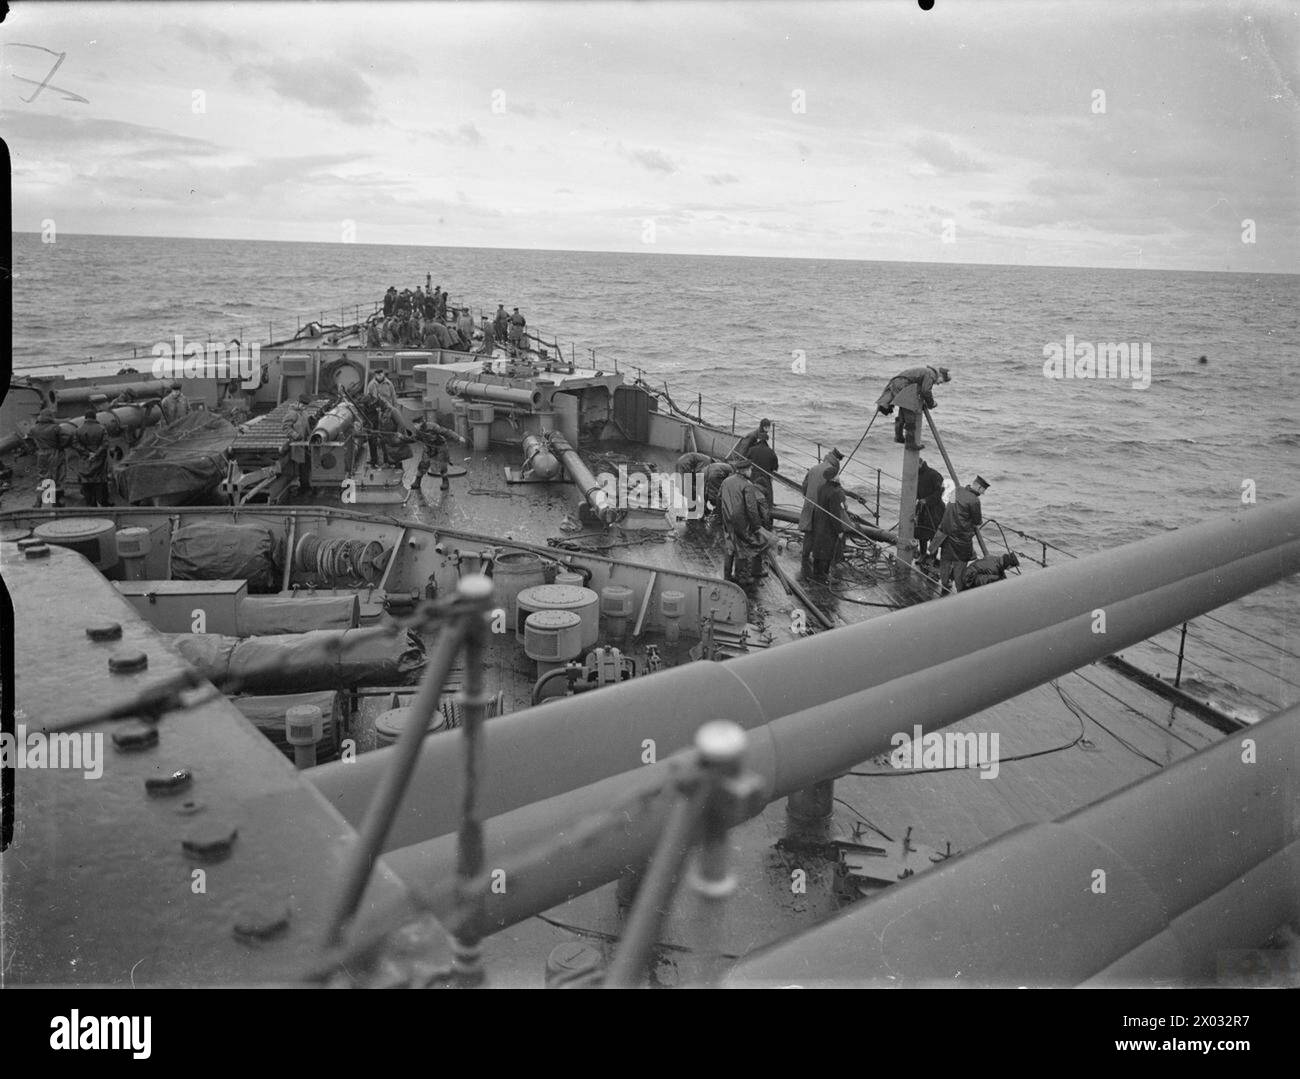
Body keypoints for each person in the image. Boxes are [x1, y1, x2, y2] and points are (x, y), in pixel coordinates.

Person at [930, 475, 989, 594]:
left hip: (945, 535)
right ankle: (960, 590)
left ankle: (945, 584)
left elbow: (949, 508)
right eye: (983, 490)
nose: (983, 493)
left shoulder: (956, 490)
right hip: (961, 540)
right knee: (960, 566)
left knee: (945, 560)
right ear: (978, 487)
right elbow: (977, 521)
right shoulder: (974, 500)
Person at [876, 365, 950, 449]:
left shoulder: (927, 372)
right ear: (940, 375)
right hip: (903, 385)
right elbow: (926, 391)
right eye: (942, 381)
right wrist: (931, 404)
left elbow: (921, 389)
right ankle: (910, 443)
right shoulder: (931, 374)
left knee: (904, 409)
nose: (939, 383)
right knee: (910, 414)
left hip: (898, 383)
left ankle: (899, 437)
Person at [718, 460, 767, 586]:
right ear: (745, 470)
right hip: (741, 522)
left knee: (730, 546)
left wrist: (721, 516)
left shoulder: (726, 481)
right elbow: (751, 509)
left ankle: (727, 576)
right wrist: (757, 526)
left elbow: (719, 499)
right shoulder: (747, 485)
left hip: (727, 519)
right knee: (742, 549)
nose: (751, 472)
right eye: (750, 469)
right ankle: (741, 577)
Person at [799, 447, 844, 575]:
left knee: (808, 532)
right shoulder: (831, 472)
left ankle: (805, 557)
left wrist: (808, 497)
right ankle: (824, 566)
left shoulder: (813, 468)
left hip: (809, 504)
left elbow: (804, 485)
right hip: (822, 508)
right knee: (821, 535)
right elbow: (833, 492)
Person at [808, 465, 851, 582]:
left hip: (819, 521)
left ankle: (816, 572)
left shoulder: (821, 487)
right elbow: (835, 513)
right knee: (828, 549)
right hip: (829, 525)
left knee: (818, 547)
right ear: (833, 478)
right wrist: (840, 530)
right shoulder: (835, 492)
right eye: (837, 475)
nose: (839, 476)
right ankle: (825, 575)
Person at [402, 417, 466, 494]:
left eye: (416, 424)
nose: (415, 426)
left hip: (440, 447)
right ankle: (417, 482)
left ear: (421, 423)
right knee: (423, 464)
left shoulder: (432, 427)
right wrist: (402, 439)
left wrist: (458, 437)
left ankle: (445, 482)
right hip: (428, 447)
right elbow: (415, 438)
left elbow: (446, 432)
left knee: (442, 465)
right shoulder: (418, 430)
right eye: (414, 424)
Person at [30, 408, 70, 507]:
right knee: (57, 476)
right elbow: (68, 436)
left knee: (42, 477)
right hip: (55, 452)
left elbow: (31, 440)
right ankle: (56, 503)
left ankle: (38, 502)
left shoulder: (34, 428)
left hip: (41, 454)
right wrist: (61, 446)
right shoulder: (56, 428)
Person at [73, 410, 111, 507]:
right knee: (99, 480)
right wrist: (96, 453)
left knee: (86, 480)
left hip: (84, 458)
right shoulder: (102, 429)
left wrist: (87, 453)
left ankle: (90, 503)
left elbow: (75, 444)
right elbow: (105, 444)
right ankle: (102, 502)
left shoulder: (78, 430)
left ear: (85, 418)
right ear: (95, 417)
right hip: (99, 458)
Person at [914, 457, 946, 567]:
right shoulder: (916, 474)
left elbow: (940, 491)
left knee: (934, 534)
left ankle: (932, 557)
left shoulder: (934, 475)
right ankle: (922, 554)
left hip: (935, 509)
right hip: (922, 508)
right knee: (921, 533)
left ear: (921, 463)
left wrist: (927, 500)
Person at [744, 432, 779, 527]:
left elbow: (745, 461)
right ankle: (767, 523)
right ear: (767, 440)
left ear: (758, 439)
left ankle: (751, 521)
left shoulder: (751, 450)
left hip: (753, 477)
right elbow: (775, 467)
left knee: (751, 499)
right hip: (765, 478)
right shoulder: (771, 452)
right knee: (767, 501)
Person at [365, 369, 398, 465]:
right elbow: (370, 398)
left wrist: (394, 411)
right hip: (375, 413)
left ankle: (389, 459)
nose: (379, 376)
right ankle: (373, 459)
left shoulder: (389, 384)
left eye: (381, 374)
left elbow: (393, 397)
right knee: (374, 437)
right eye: (377, 374)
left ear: (383, 374)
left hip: (388, 412)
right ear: (375, 375)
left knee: (388, 436)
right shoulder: (371, 385)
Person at [281, 394, 312, 494]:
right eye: (303, 405)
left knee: (307, 465)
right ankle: (304, 487)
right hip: (298, 445)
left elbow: (307, 426)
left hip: (306, 444)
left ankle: (306, 485)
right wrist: (296, 435)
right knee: (302, 466)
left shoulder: (304, 413)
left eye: (306, 406)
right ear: (298, 403)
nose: (305, 407)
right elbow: (285, 427)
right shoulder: (292, 414)